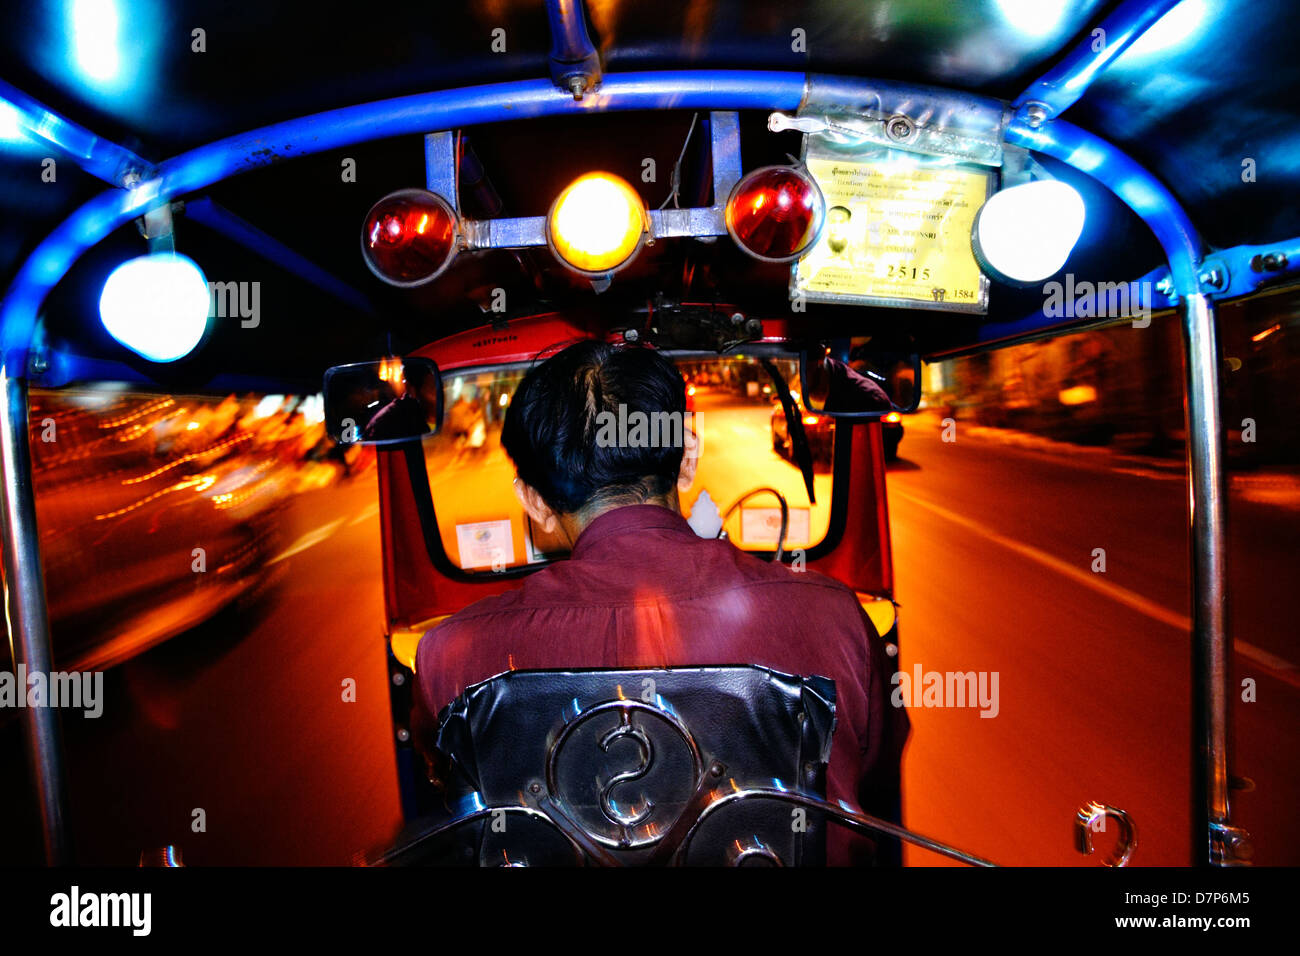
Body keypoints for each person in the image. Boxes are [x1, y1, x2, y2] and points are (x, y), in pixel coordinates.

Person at [410, 340, 908, 865]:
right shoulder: (831, 617)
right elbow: (870, 777)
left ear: (534, 501)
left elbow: (451, 800)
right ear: (686, 459)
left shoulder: (451, 654)